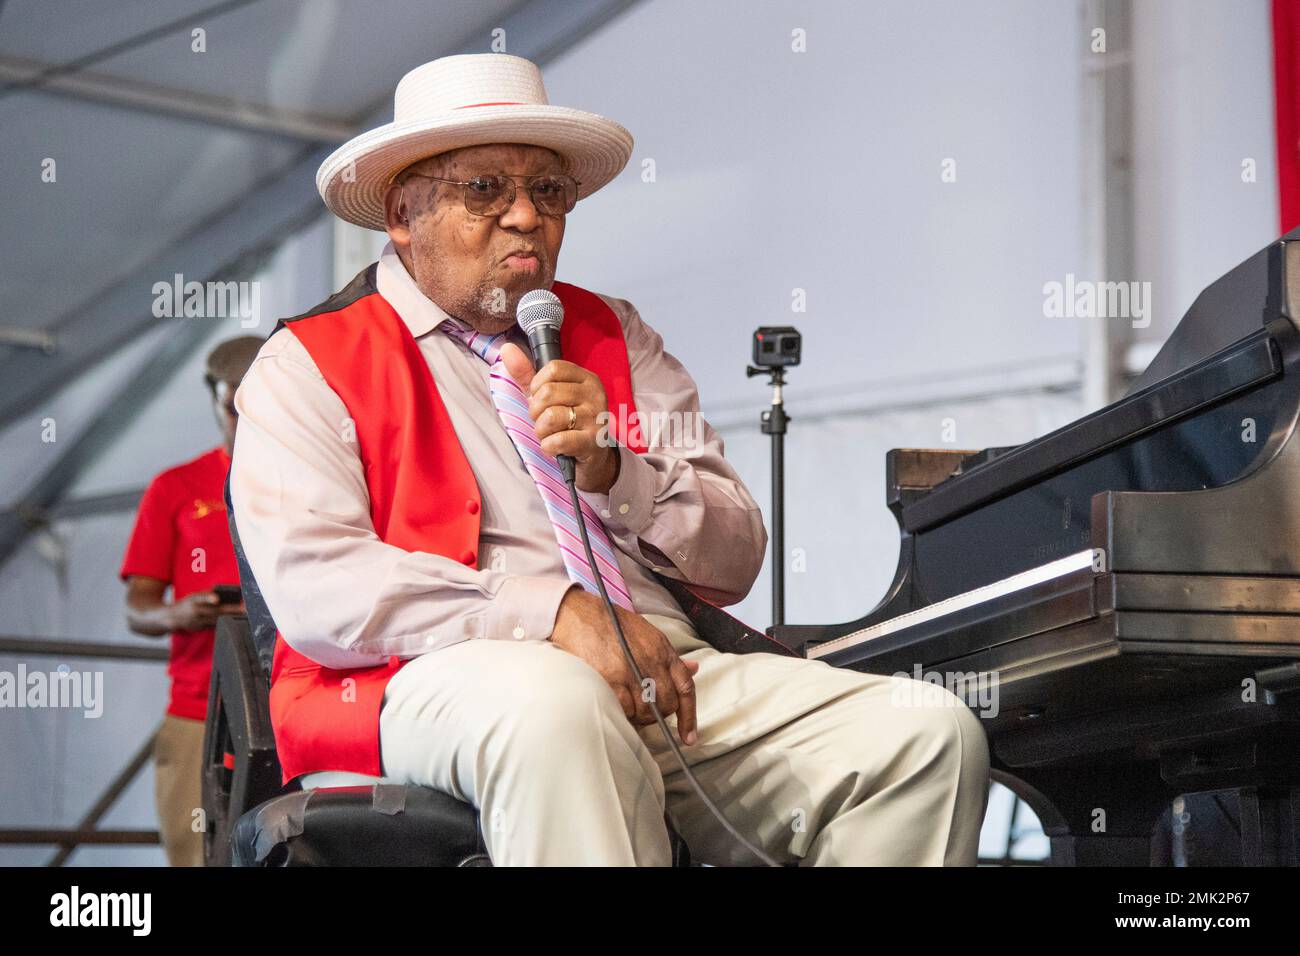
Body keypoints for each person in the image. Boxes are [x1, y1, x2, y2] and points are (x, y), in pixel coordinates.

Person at [229, 53, 989, 865]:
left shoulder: (614, 331)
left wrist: (615, 470)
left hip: (666, 668)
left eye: (548, 192)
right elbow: (320, 587)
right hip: (425, 676)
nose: (525, 216)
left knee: (925, 736)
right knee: (556, 707)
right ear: (402, 214)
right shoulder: (308, 361)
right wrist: (550, 609)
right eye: (484, 188)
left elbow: (736, 557)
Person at [120, 336, 261, 866]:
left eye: (254, 408)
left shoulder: (307, 480)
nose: (242, 423)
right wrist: (183, 613)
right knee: (195, 853)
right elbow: (138, 607)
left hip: (288, 702)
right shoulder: (176, 488)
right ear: (213, 400)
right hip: (198, 709)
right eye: (232, 409)